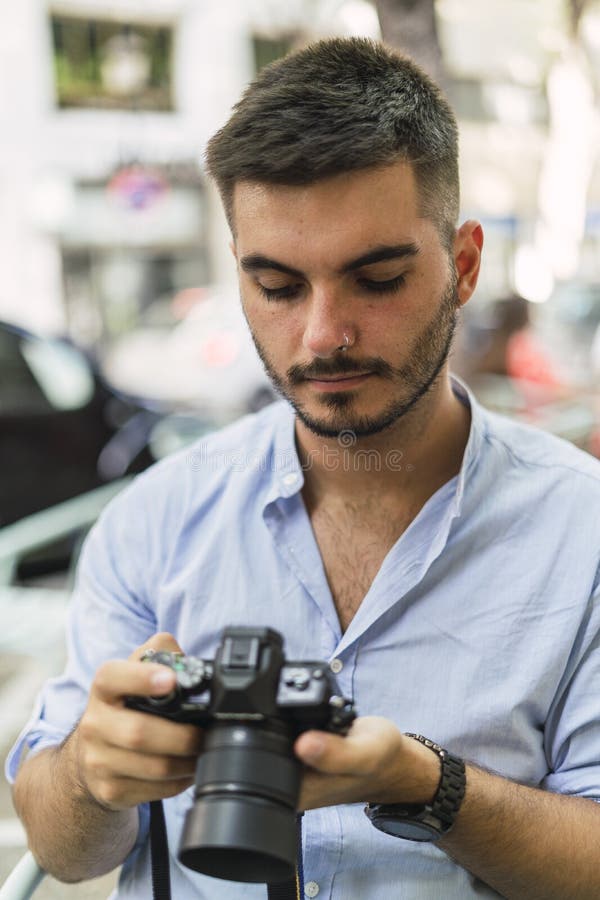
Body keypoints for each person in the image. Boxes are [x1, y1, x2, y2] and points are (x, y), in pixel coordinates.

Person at [7, 37, 600, 900]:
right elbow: (65, 849)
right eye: (279, 287)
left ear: (464, 266)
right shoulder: (159, 518)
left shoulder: (582, 533)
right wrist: (92, 774)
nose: (324, 334)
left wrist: (422, 784)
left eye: (378, 279)